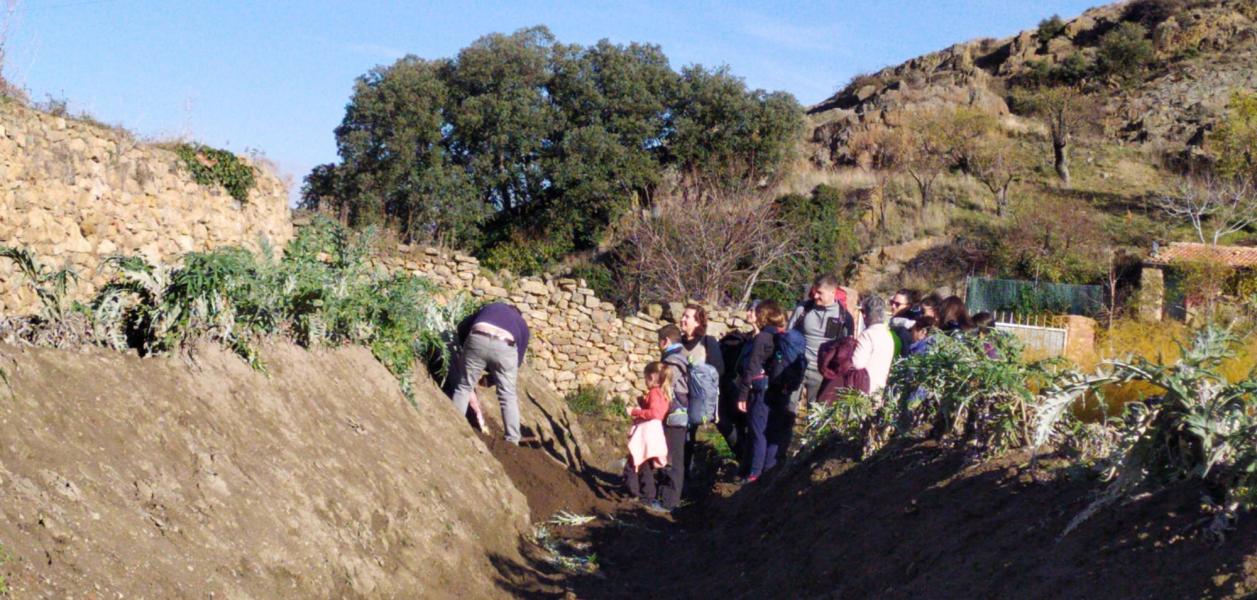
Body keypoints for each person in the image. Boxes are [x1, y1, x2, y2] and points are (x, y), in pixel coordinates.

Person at [451, 302, 531, 444]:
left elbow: (462, 326)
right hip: (506, 345)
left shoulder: (493, 306)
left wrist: (465, 353)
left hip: (477, 336)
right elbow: (516, 363)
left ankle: (454, 427)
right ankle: (512, 439)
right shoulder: (522, 324)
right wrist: (491, 379)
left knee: (464, 387)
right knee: (507, 395)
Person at [786, 274, 855, 414]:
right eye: (814, 291)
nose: (815, 296)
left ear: (832, 292)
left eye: (820, 293)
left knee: (816, 414)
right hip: (796, 367)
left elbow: (847, 348)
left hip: (822, 373)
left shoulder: (844, 318)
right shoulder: (802, 310)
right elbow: (788, 335)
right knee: (787, 410)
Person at [736, 300, 788, 482]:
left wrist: (742, 394)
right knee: (771, 432)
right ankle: (768, 473)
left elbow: (752, 367)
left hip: (760, 390)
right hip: (778, 389)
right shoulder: (781, 336)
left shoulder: (762, 338)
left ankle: (754, 475)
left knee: (757, 432)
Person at [678, 304, 725, 480]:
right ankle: (678, 478)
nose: (682, 319)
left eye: (687, 316)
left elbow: (718, 369)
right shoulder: (677, 343)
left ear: (698, 321)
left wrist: (697, 372)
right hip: (679, 398)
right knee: (679, 439)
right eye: (683, 315)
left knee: (688, 437)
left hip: (698, 400)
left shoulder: (708, 342)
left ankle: (685, 479)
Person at [717, 301, 758, 476]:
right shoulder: (745, 340)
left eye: (752, 310)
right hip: (735, 388)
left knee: (751, 429)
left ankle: (751, 468)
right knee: (726, 424)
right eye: (748, 309)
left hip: (754, 391)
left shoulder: (765, 339)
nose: (747, 313)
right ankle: (743, 459)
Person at [624, 362, 672, 508]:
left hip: (647, 433)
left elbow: (655, 413)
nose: (644, 382)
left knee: (634, 462)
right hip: (654, 432)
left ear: (651, 377)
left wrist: (635, 411)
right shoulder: (663, 393)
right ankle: (647, 495)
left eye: (645, 378)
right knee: (645, 464)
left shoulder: (654, 392)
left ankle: (634, 492)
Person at [656, 324, 691, 511]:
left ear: (666, 341)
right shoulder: (683, 357)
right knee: (672, 458)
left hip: (674, 416)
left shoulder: (672, 361)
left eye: (659, 343)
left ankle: (670, 502)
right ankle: (665, 498)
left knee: (673, 460)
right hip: (680, 415)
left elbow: (665, 391)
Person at [851, 294, 897, 395]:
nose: (863, 315)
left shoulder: (867, 335)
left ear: (866, 314)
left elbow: (857, 364)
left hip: (863, 391)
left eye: (863, 311)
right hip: (879, 391)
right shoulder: (888, 335)